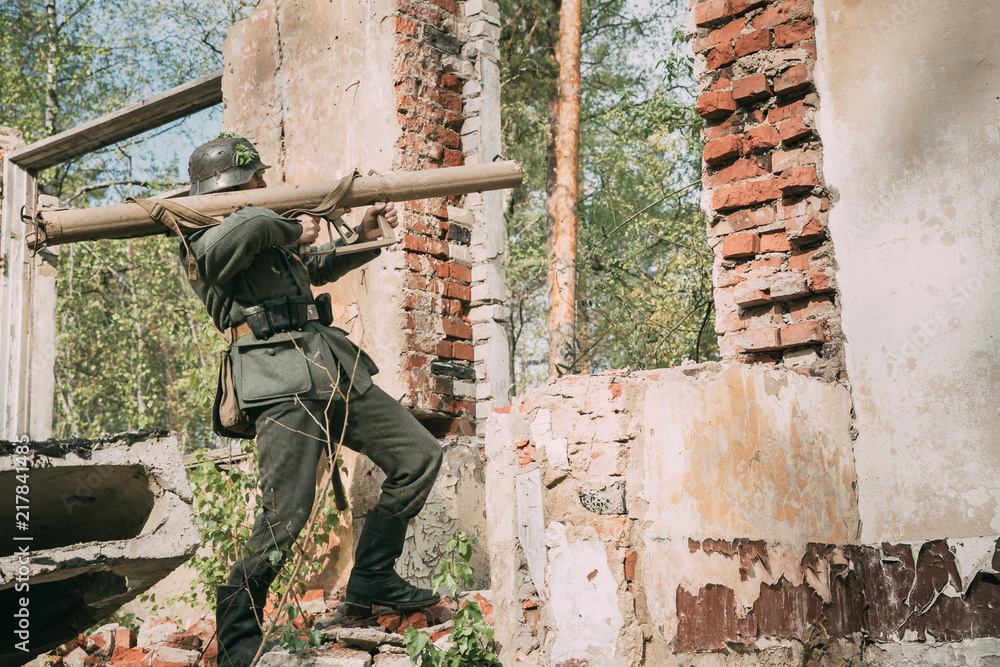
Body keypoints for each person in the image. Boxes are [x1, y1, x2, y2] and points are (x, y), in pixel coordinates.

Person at [182, 134, 444, 667]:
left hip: (332, 367)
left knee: (419, 456)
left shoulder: (262, 229)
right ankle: (237, 635)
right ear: (236, 182)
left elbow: (310, 270)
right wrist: (286, 223)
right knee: (286, 517)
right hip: (276, 383)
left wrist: (364, 238)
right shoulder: (200, 232)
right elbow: (241, 239)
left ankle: (371, 576)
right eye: (256, 178)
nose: (264, 185)